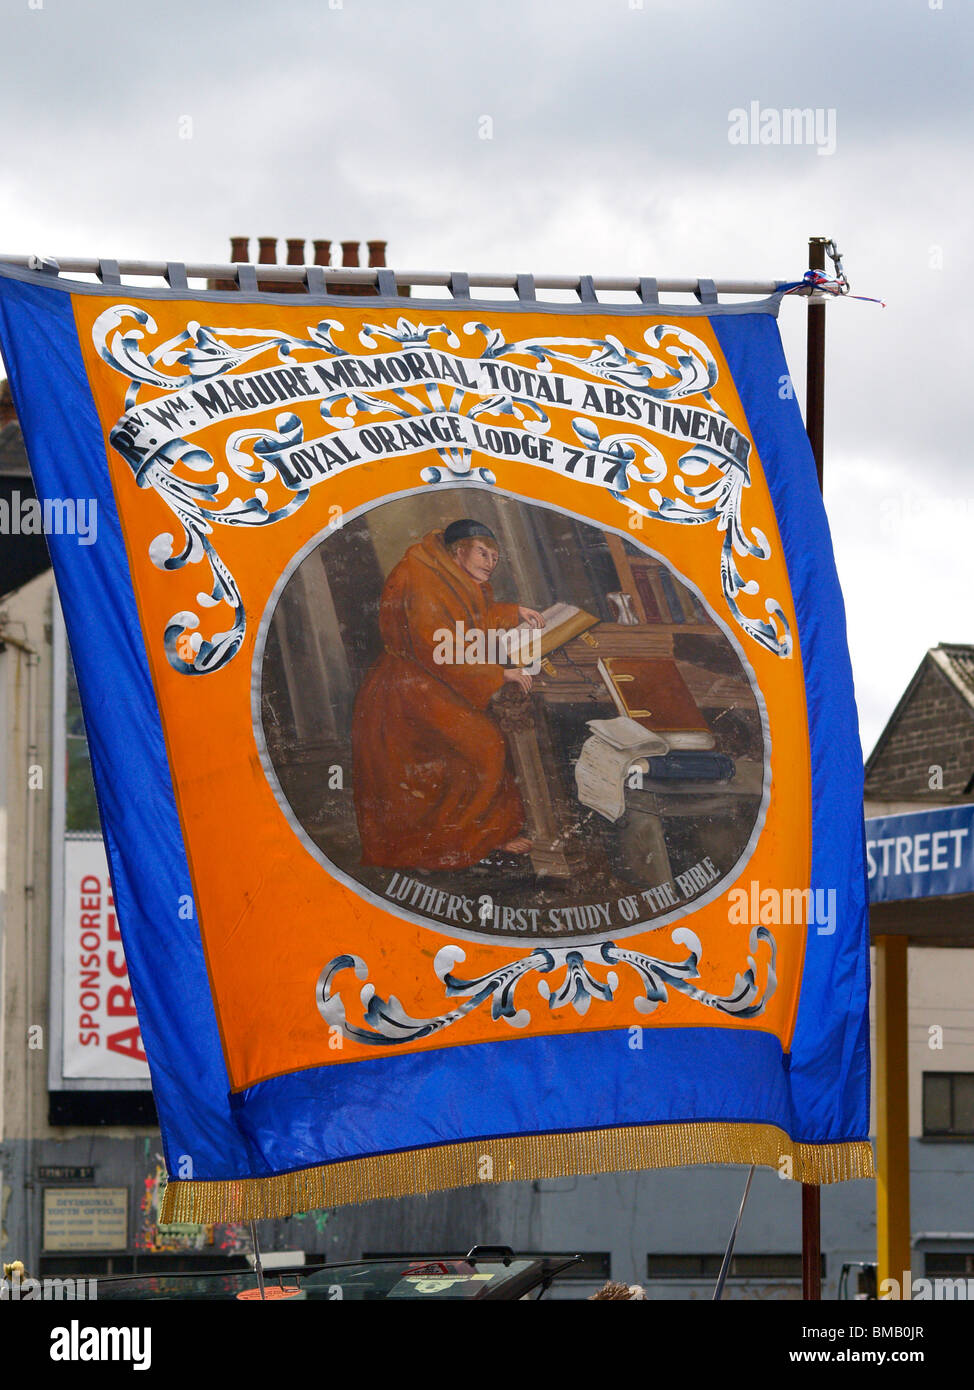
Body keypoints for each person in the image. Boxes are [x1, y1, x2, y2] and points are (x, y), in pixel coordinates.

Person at [352, 519, 544, 871]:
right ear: (459, 551)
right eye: (483, 553)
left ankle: (485, 837)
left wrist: (514, 611)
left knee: (486, 740)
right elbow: (435, 643)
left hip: (435, 679)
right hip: (408, 686)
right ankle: (448, 846)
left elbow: (472, 620)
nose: (489, 562)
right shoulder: (422, 575)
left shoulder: (454, 573)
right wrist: (499, 673)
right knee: (483, 743)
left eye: (495, 557)